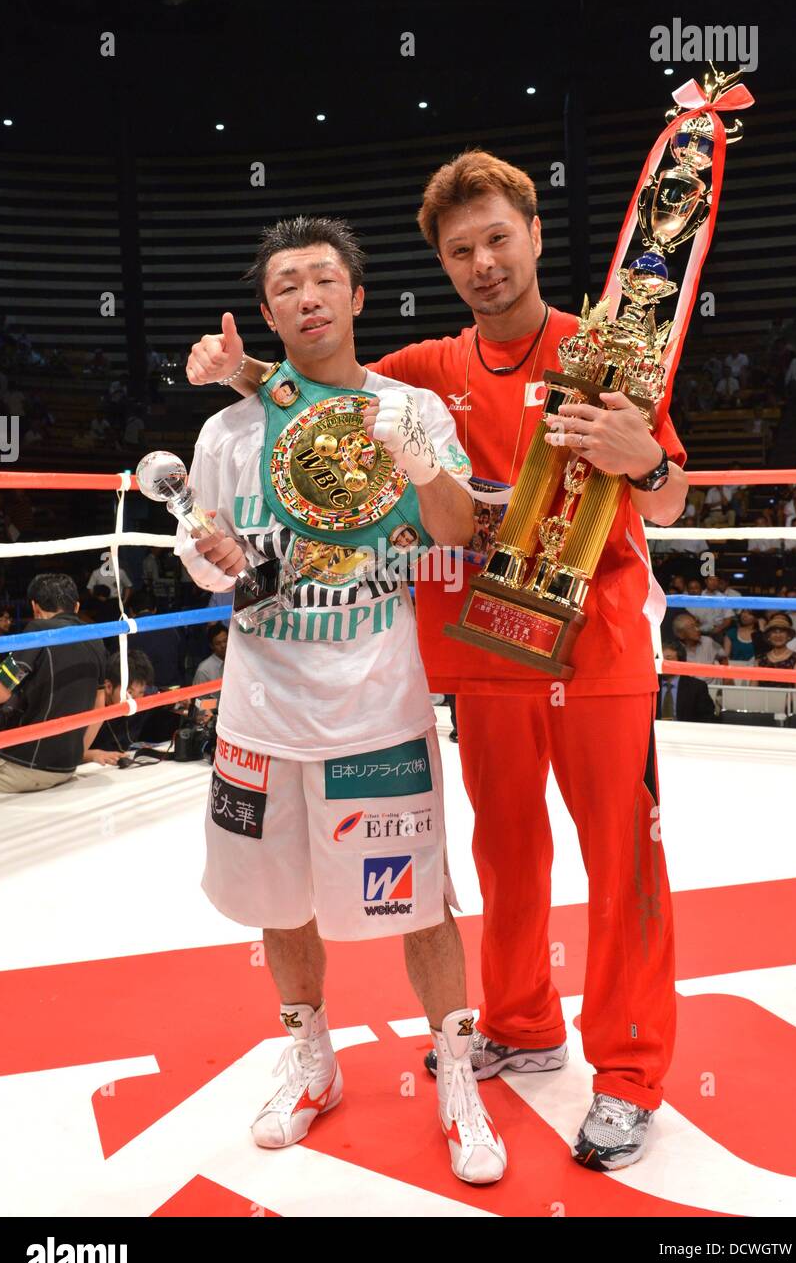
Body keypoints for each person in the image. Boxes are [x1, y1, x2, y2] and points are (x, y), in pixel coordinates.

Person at [185, 152, 690, 1172]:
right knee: (504, 857)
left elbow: (670, 499)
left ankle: (629, 1077)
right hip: (485, 652)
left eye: (497, 238)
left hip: (596, 653)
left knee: (623, 865)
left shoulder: (606, 356)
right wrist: (238, 373)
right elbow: (320, 391)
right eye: (459, 251)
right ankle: (516, 1022)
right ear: (441, 267)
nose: (482, 263)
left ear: (535, 235)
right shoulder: (427, 372)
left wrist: (644, 457)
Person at [177, 215, 506, 1185]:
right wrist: (224, 562)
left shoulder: (408, 406)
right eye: (287, 285)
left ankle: (455, 1071)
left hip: (376, 706)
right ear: (268, 311)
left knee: (420, 905)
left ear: (358, 298)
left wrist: (416, 459)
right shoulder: (228, 429)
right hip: (260, 712)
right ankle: (311, 1056)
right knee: (279, 900)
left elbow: (459, 531)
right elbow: (202, 555)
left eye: (324, 278)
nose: (308, 296)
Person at [0, 574, 106, 793]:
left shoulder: (39, 630)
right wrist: (73, 756)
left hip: (23, 765)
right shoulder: (96, 638)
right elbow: (99, 704)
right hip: (65, 766)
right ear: (76, 606)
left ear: (35, 607)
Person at [656, 641, 716, 722]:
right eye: (660, 659)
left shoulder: (697, 687)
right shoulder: (649, 686)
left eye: (668, 658)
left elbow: (707, 717)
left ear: (680, 662)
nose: (662, 663)